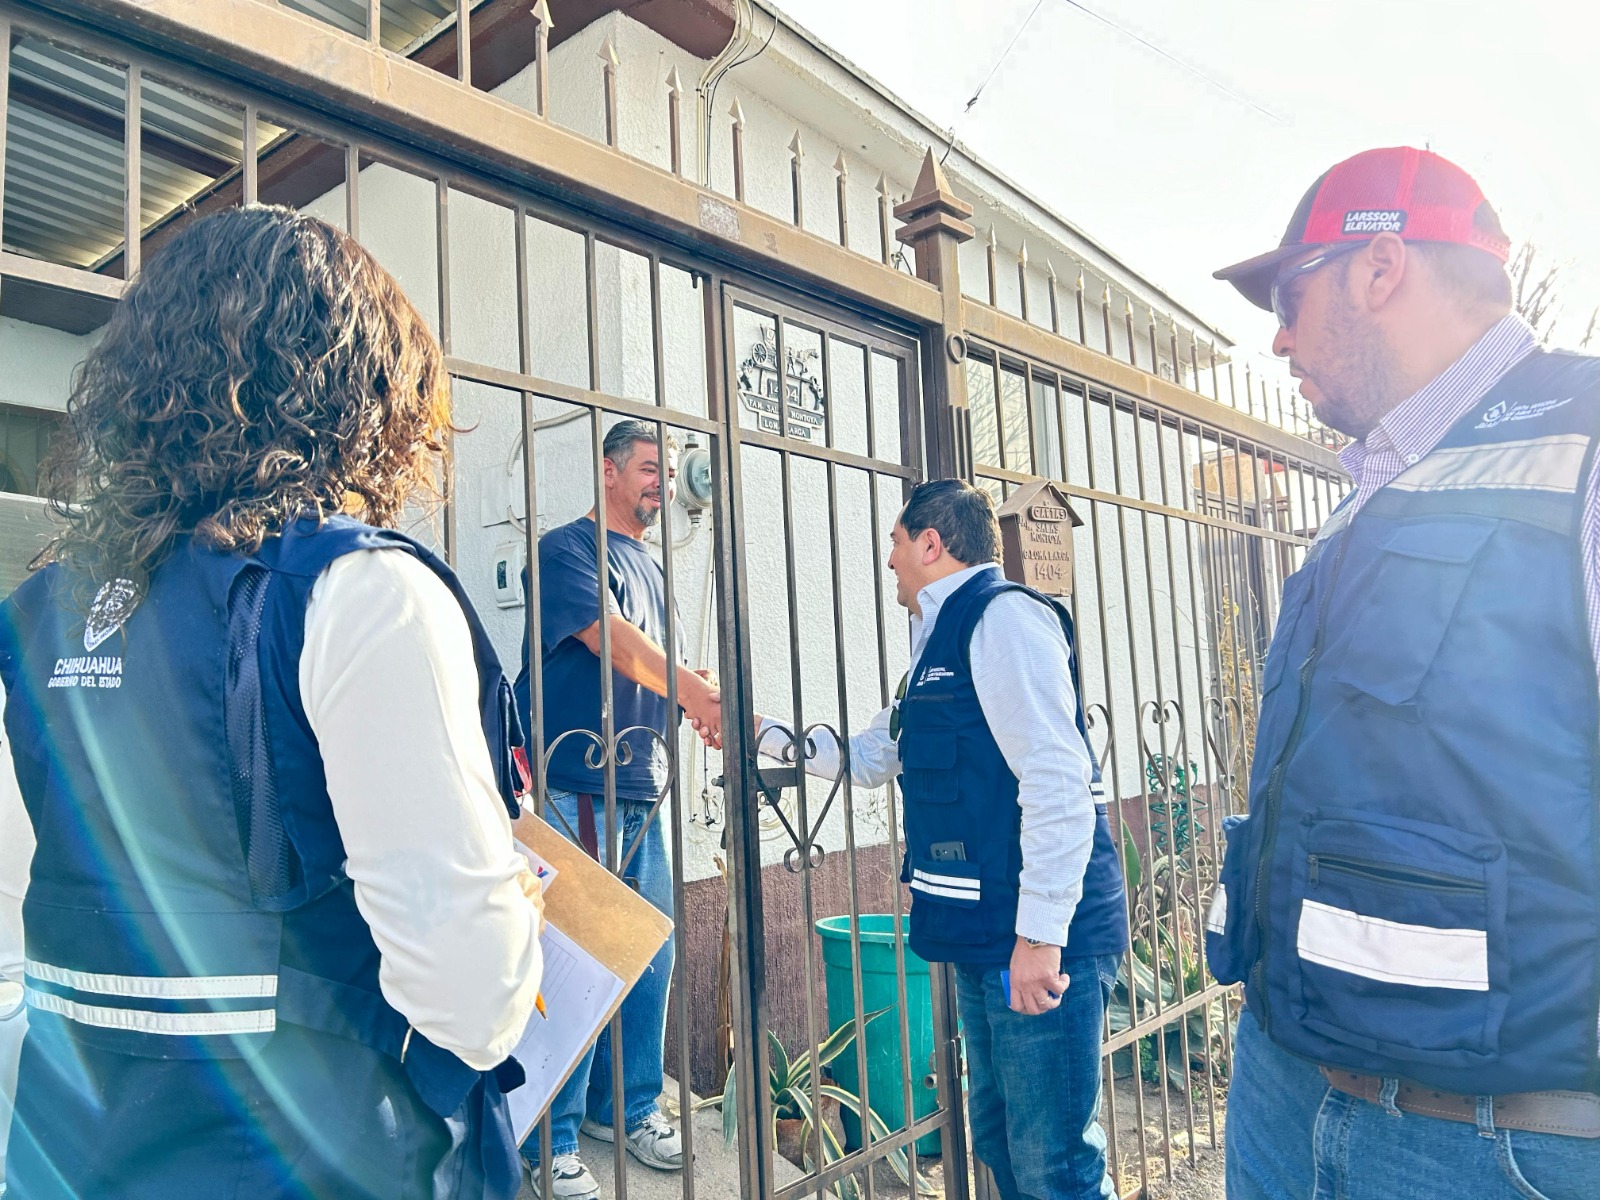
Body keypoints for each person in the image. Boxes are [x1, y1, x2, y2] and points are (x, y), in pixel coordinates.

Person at [0, 205, 545, 1199]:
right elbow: (471, 996)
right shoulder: (358, 592)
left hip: (75, 1155)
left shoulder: (36, 614)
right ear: (361, 395)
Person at [1210, 146, 1600, 1198]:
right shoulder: (1377, 485)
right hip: (1291, 1089)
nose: (1279, 337)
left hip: (1496, 1144)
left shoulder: (1586, 435)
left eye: (1291, 296)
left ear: (1380, 269)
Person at [751, 478, 1128, 1200]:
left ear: (932, 543)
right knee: (1001, 1141)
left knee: (1055, 1163)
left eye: (896, 543)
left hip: (1039, 937)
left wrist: (1041, 937)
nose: (890, 561)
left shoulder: (1003, 621)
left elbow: (1058, 781)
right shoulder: (938, 641)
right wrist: (758, 730)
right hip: (986, 936)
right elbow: (869, 756)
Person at [514, 418, 719, 1199]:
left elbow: (653, 665)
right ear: (607, 471)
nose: (659, 482)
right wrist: (690, 687)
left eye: (664, 472)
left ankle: (625, 1110)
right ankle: (551, 1138)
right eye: (644, 468)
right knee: (577, 962)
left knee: (649, 956)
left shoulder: (654, 568)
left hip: (642, 785)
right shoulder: (567, 549)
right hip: (577, 786)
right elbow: (615, 642)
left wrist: (696, 696)